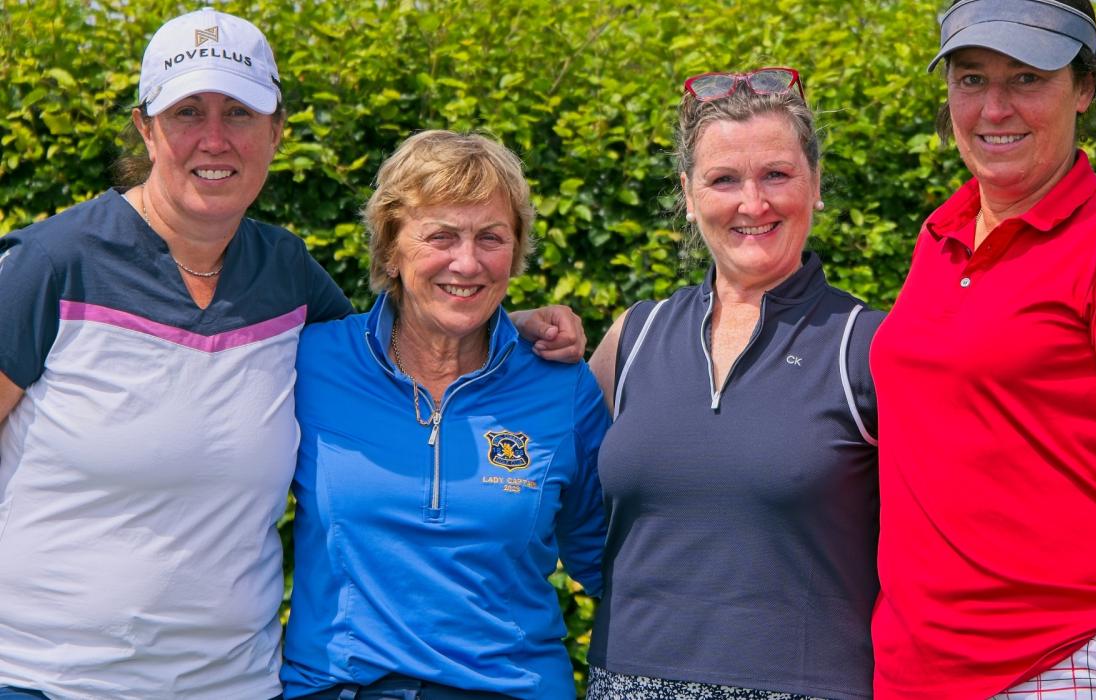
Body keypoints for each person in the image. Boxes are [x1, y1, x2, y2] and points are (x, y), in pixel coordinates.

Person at [0, 10, 576, 699]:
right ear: (147, 128)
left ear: (276, 133)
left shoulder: (286, 276)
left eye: (240, 113)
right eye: (188, 111)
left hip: (233, 686)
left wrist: (501, 323)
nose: (215, 138)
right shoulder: (50, 265)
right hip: (43, 680)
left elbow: (394, 351)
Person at [869, 1, 1096, 698]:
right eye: (970, 79)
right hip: (912, 674)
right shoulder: (939, 236)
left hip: (1064, 667)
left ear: (1084, 88)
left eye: (1026, 79)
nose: (994, 107)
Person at [585, 68, 883, 699]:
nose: (754, 203)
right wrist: (515, 326)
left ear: (816, 185)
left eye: (777, 174)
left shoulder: (869, 345)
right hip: (626, 682)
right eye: (724, 180)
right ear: (689, 196)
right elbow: (540, 481)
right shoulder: (632, 338)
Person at [280, 130, 609, 700]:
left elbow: (615, 563)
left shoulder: (562, 386)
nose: (468, 261)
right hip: (342, 689)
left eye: (491, 237)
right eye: (441, 236)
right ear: (390, 248)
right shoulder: (310, 363)